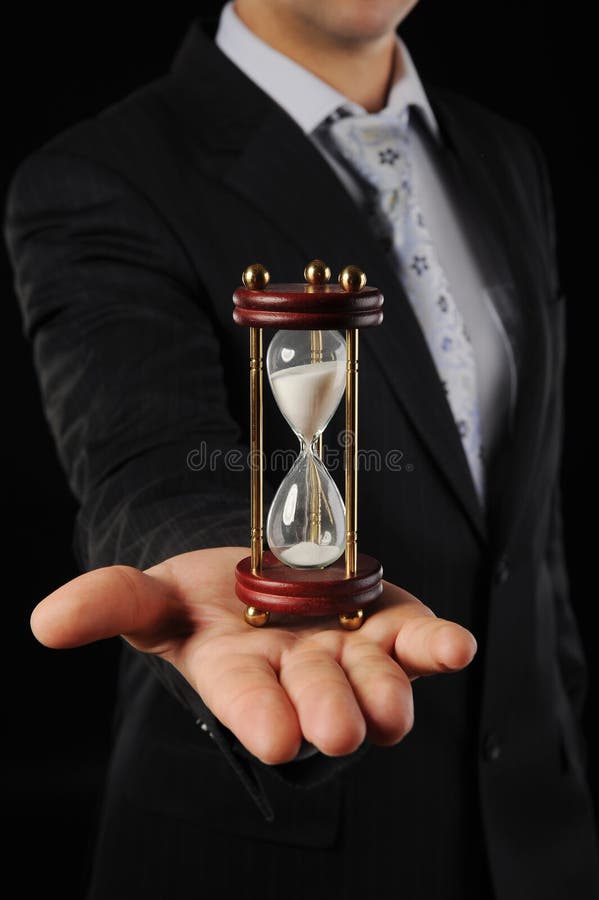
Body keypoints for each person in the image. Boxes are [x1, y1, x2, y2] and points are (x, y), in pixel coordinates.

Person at [4, 1, 598, 897]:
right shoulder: (103, 171)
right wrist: (197, 544)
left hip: (535, 837)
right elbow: (140, 446)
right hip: (267, 856)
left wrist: (558, 717)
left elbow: (524, 519)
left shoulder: (504, 154)